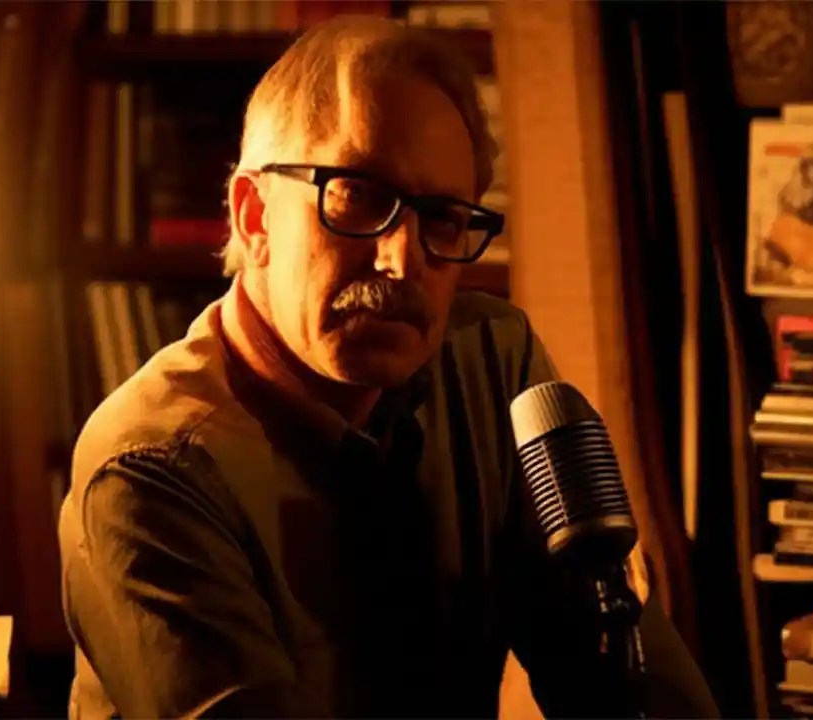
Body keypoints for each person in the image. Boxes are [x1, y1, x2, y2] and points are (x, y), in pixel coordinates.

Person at [59, 15, 718, 719]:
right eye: (359, 196)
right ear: (254, 218)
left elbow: (611, 663)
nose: (401, 261)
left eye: (440, 218)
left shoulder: (494, 362)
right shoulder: (149, 469)